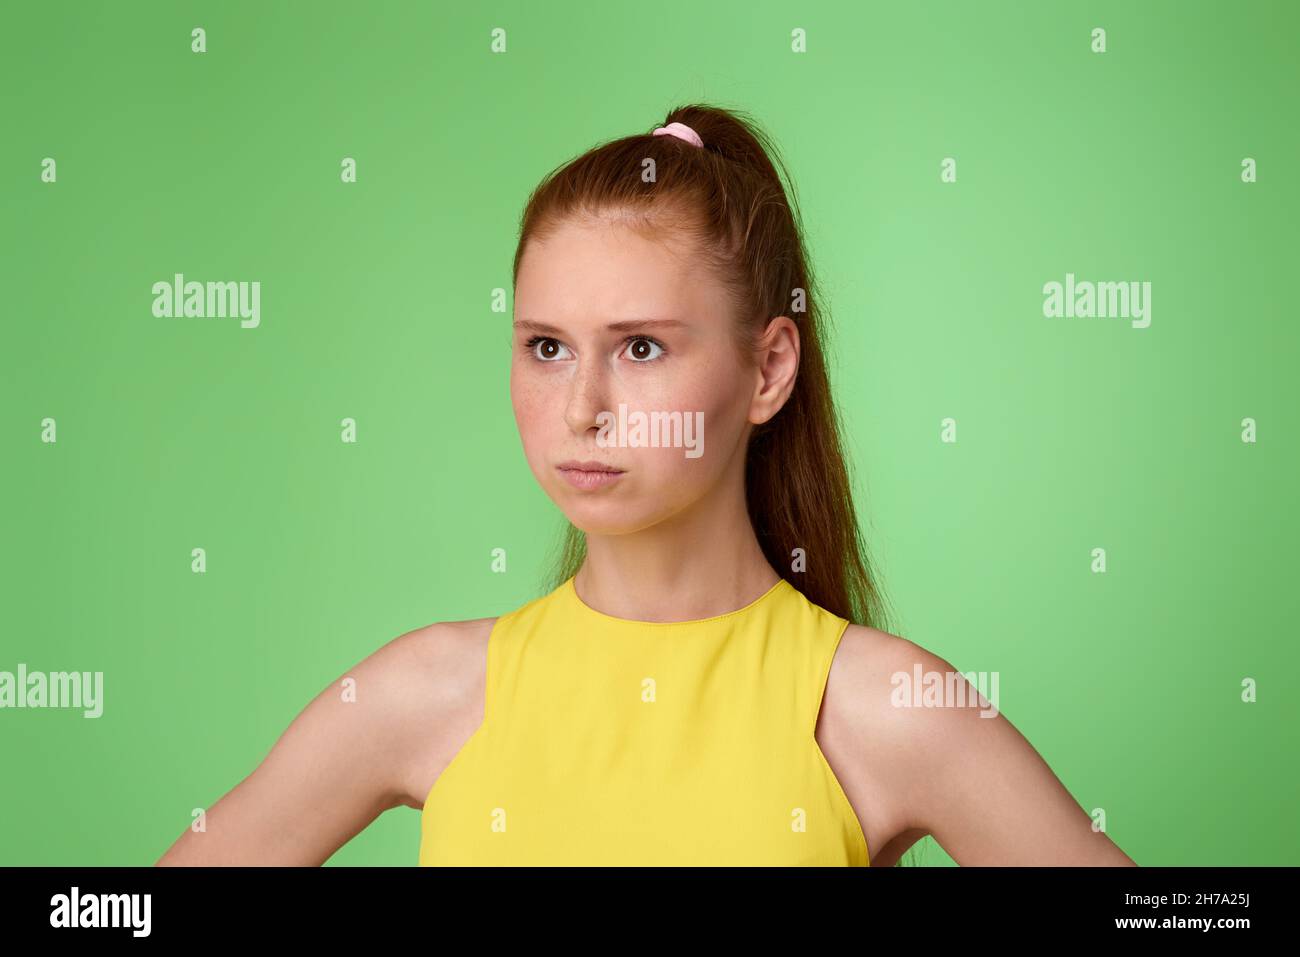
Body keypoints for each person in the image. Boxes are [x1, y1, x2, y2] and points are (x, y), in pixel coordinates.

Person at [157, 105, 1136, 867]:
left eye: (639, 347)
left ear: (768, 370)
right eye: (546, 347)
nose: (581, 405)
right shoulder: (428, 695)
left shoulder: (881, 709)